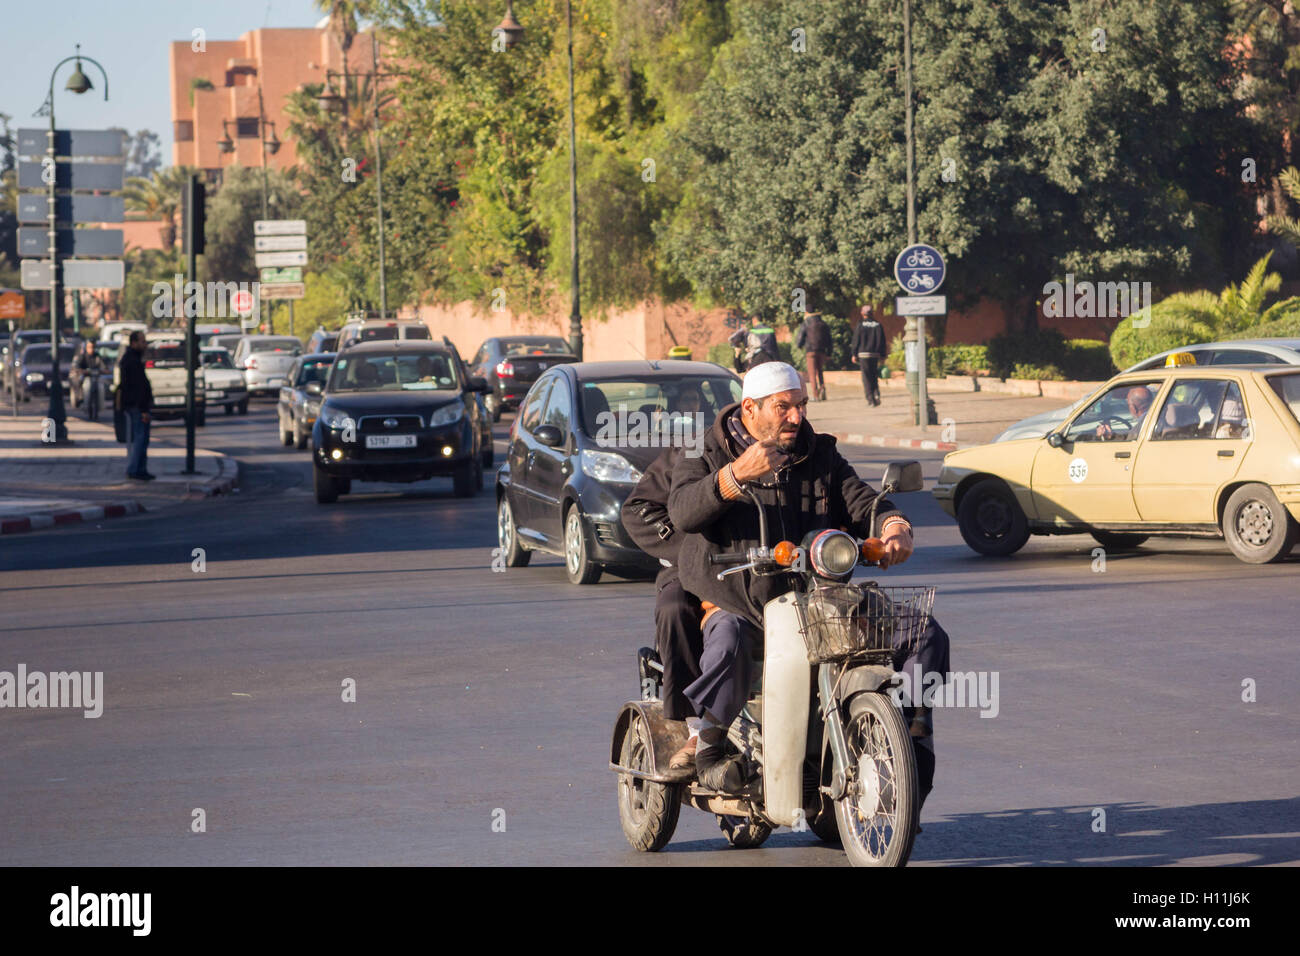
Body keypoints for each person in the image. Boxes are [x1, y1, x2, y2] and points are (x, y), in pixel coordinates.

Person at [667, 361, 949, 804]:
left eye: (801, 405)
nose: (796, 417)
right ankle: (709, 746)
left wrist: (894, 526)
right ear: (750, 408)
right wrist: (736, 474)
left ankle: (910, 734)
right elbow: (683, 511)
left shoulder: (818, 453)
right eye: (784, 407)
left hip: (823, 601)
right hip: (741, 600)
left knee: (923, 633)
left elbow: (861, 500)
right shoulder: (704, 450)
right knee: (728, 644)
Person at [622, 445, 704, 772]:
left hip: (775, 570)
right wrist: (692, 550)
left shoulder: (804, 451)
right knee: (676, 608)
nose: (792, 420)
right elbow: (637, 509)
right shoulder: (697, 450)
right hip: (691, 571)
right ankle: (698, 728)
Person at [117, 331, 154, 481]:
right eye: (142, 341)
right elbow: (137, 388)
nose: (145, 344)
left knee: (143, 438)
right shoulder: (132, 361)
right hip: (137, 407)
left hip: (137, 405)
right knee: (140, 438)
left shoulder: (133, 359)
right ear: (134, 343)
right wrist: (143, 409)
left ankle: (141, 469)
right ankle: (134, 469)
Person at [850, 305, 886, 406]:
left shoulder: (860, 325)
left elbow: (856, 340)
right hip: (875, 355)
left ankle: (870, 399)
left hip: (863, 355)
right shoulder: (878, 325)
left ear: (862, 313)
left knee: (866, 377)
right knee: (874, 375)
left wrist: (854, 354)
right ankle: (876, 394)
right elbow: (882, 341)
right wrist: (882, 355)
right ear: (872, 313)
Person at [794, 311, 830, 401]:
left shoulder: (806, 323)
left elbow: (800, 337)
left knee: (812, 373)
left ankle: (815, 394)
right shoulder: (823, 323)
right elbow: (829, 339)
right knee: (820, 371)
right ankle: (822, 388)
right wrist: (829, 352)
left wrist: (799, 346)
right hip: (821, 351)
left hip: (810, 351)